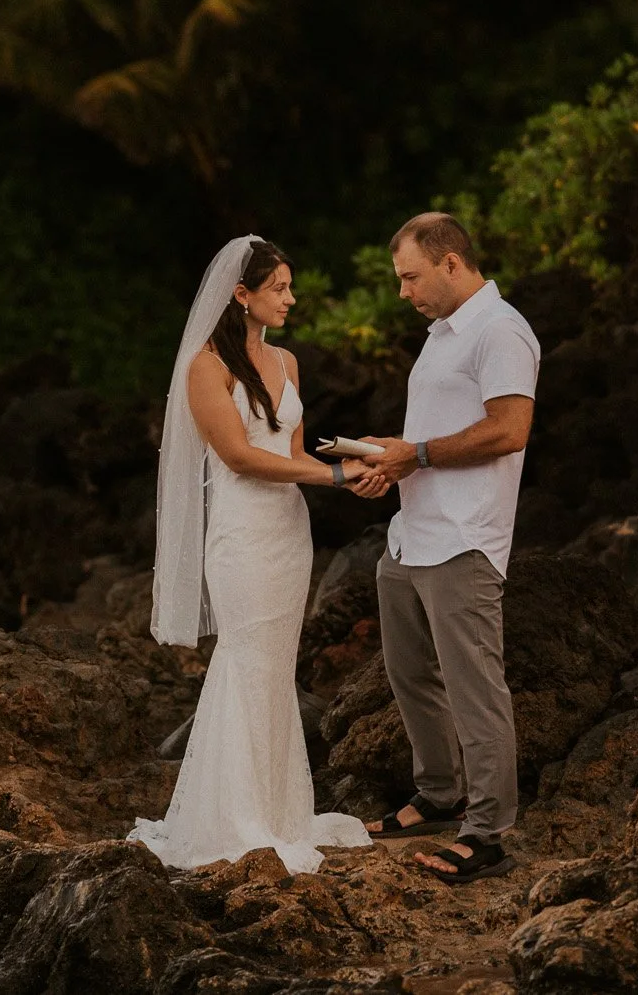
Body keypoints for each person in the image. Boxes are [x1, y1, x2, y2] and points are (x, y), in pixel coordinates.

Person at [129, 236, 379, 872]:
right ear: (242, 295)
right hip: (241, 533)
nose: (291, 299)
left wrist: (354, 464)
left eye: (290, 288)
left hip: (288, 530)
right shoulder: (206, 367)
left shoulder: (288, 363)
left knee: (276, 666)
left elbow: (291, 456)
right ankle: (236, 817)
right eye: (279, 289)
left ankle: (280, 810)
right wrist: (337, 480)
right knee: (245, 659)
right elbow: (239, 458)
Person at [352, 212, 539, 884]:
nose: (403, 291)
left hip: (465, 539)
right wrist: (392, 461)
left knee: (475, 686)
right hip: (412, 537)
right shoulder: (440, 336)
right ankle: (438, 795)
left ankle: (488, 832)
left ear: (451, 261)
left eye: (410, 276)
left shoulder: (502, 330)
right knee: (408, 674)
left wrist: (420, 453)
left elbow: (510, 429)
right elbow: (429, 438)